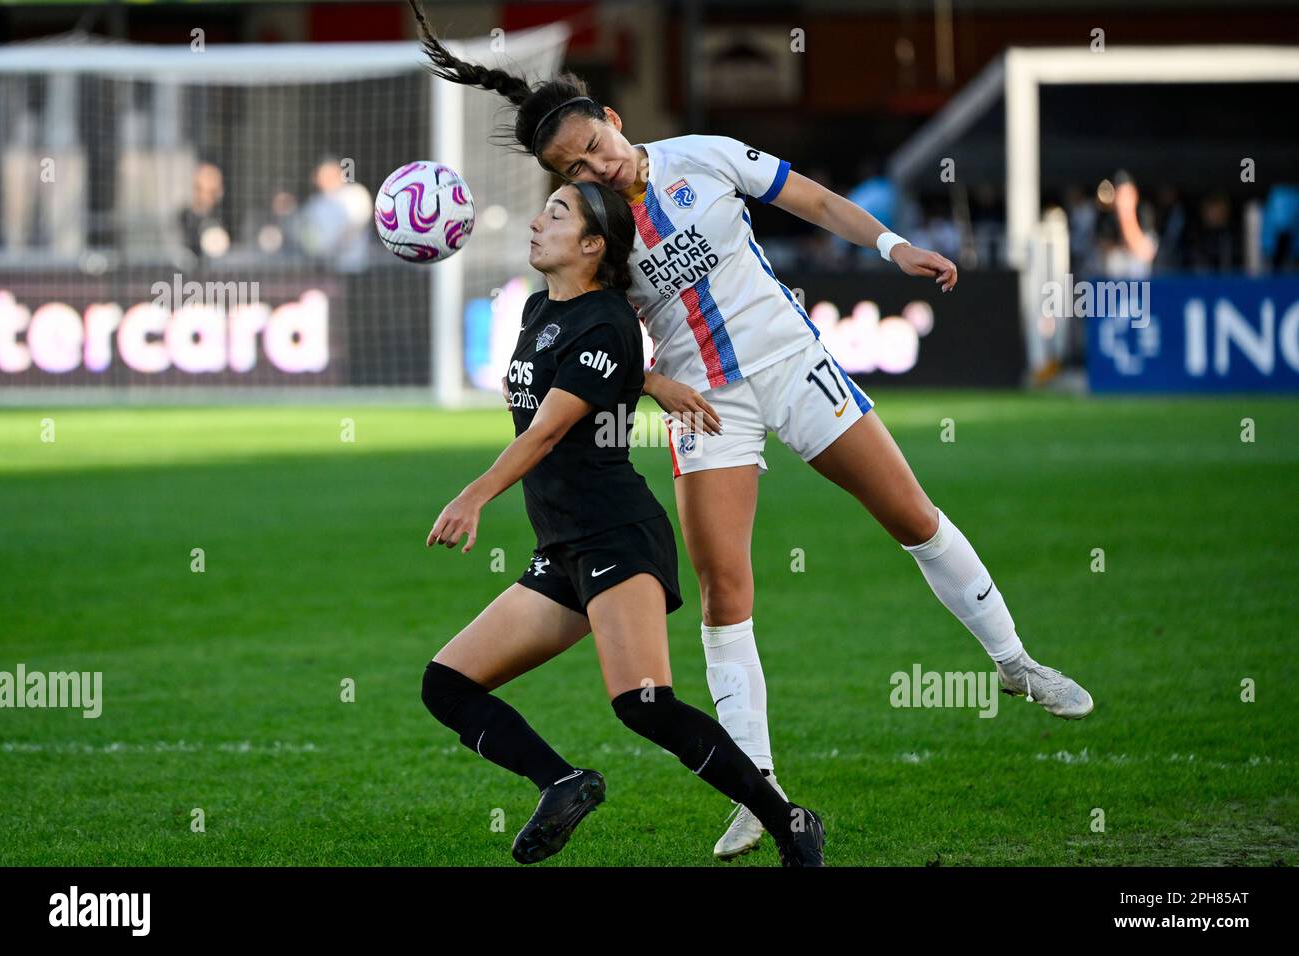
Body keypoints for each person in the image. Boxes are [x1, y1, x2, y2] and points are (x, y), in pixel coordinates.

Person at [408, 0, 1092, 861]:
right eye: (571, 166)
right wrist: (658, 384)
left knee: (910, 515)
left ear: (614, 119)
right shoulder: (598, 232)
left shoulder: (705, 158)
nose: (593, 165)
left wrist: (892, 248)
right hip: (707, 403)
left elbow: (810, 198)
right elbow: (603, 341)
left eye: (593, 144)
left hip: (790, 362)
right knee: (727, 589)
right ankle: (759, 791)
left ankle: (1014, 660)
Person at [421, 177, 824, 866]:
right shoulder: (538, 310)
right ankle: (563, 782)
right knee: (447, 684)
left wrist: (474, 495)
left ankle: (788, 822)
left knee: (643, 703)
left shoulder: (608, 315)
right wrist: (653, 381)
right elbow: (598, 371)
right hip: (563, 546)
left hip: (616, 534)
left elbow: (547, 430)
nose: (537, 222)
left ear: (591, 244)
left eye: (557, 214)